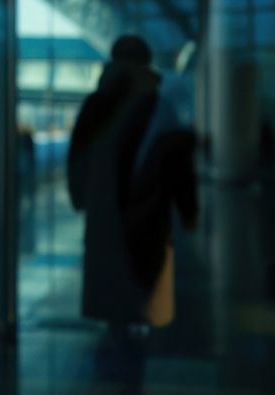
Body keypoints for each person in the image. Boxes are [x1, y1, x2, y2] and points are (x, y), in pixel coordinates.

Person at [66, 35, 197, 390]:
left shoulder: (97, 103)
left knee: (115, 296)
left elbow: (77, 156)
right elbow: (177, 162)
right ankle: (131, 362)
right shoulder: (159, 103)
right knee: (141, 291)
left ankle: (118, 357)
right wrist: (189, 213)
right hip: (147, 215)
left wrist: (82, 198)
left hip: (106, 215)